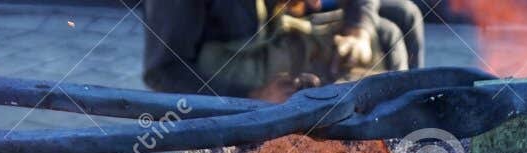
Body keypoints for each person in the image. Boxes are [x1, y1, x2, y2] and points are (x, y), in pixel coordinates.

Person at [143, 0, 425, 99]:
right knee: (387, 35)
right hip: (231, 67)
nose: (317, 3)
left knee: (401, 15)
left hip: (274, 33)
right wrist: (253, 97)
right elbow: (162, 73)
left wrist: (358, 31)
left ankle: (411, 125)